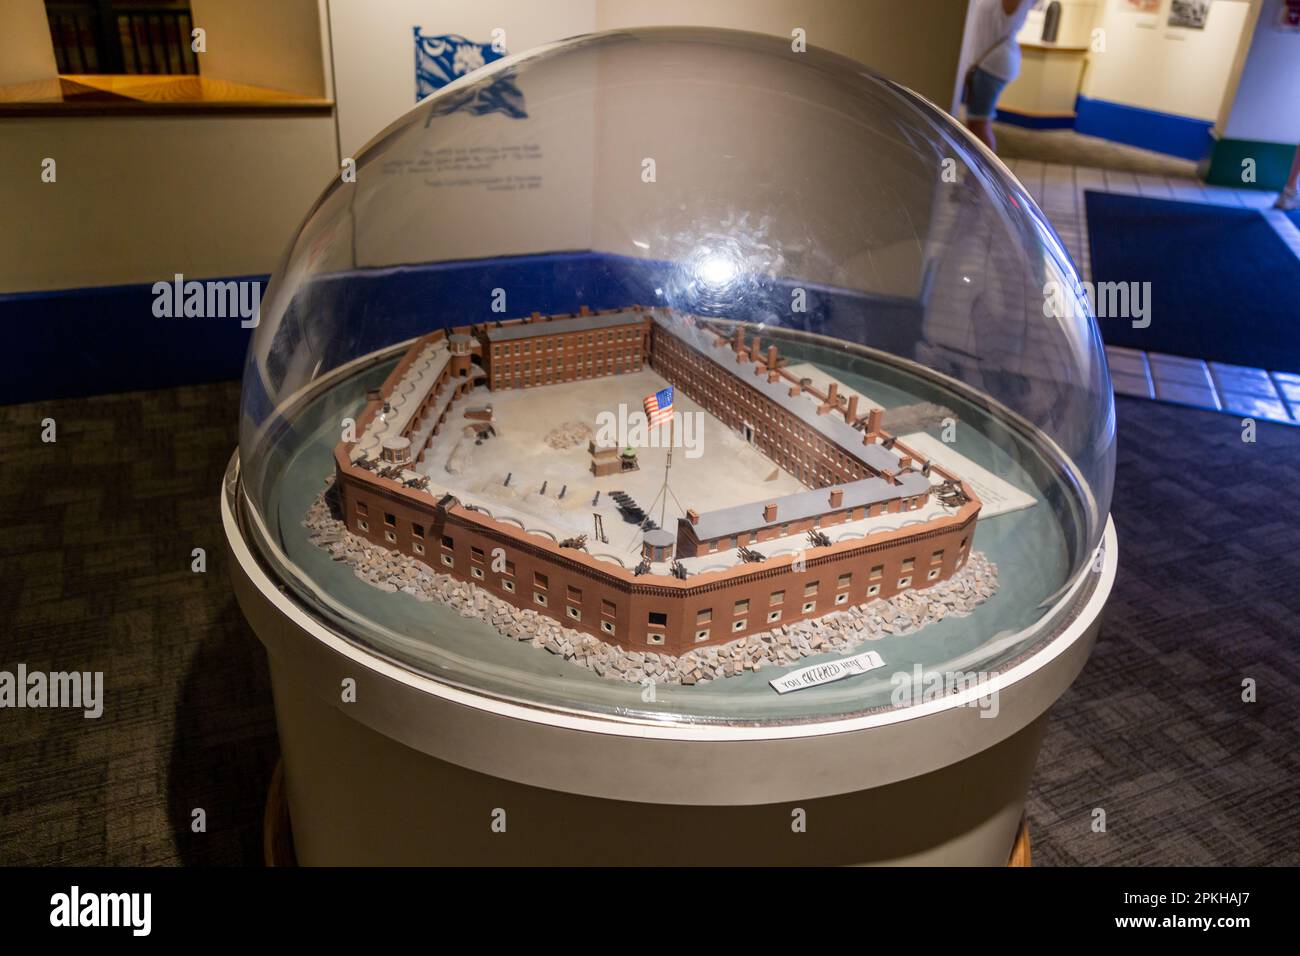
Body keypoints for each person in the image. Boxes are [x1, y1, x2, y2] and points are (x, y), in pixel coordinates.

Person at [963, 0, 1034, 152]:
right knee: (976, 124)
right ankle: (977, 173)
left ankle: (981, 174)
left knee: (978, 125)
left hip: (990, 66)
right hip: (988, 62)